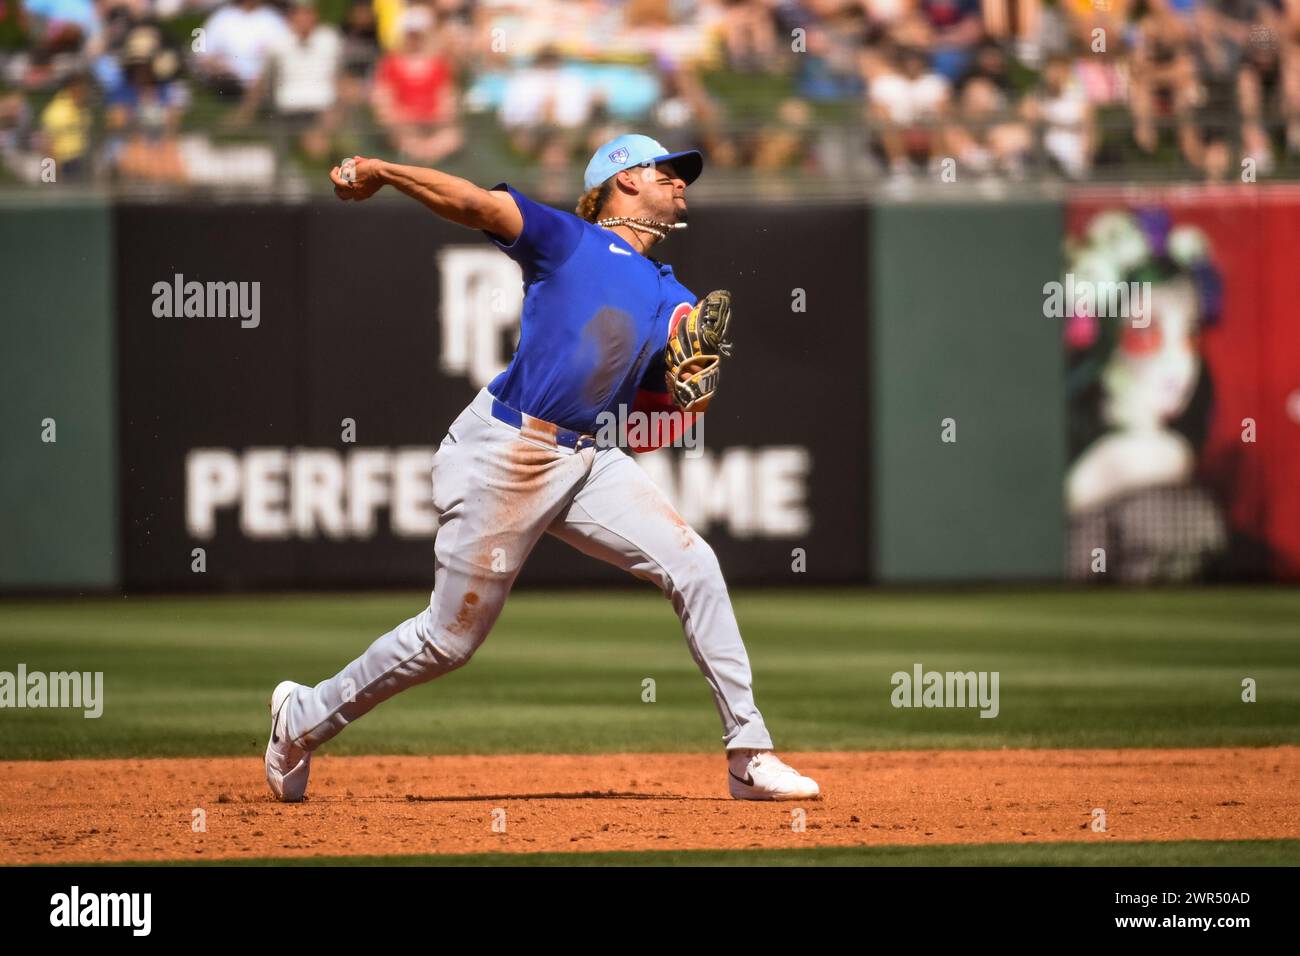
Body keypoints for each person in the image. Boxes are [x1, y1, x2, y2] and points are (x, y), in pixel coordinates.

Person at [264, 133, 820, 804]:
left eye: (684, 175)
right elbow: (474, 203)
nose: (682, 183)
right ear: (625, 179)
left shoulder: (668, 290)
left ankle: (749, 756)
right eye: (667, 171)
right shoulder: (568, 239)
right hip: (506, 450)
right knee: (448, 642)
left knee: (694, 564)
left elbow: (662, 401)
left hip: (588, 457)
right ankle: (299, 719)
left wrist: (687, 384)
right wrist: (383, 170)